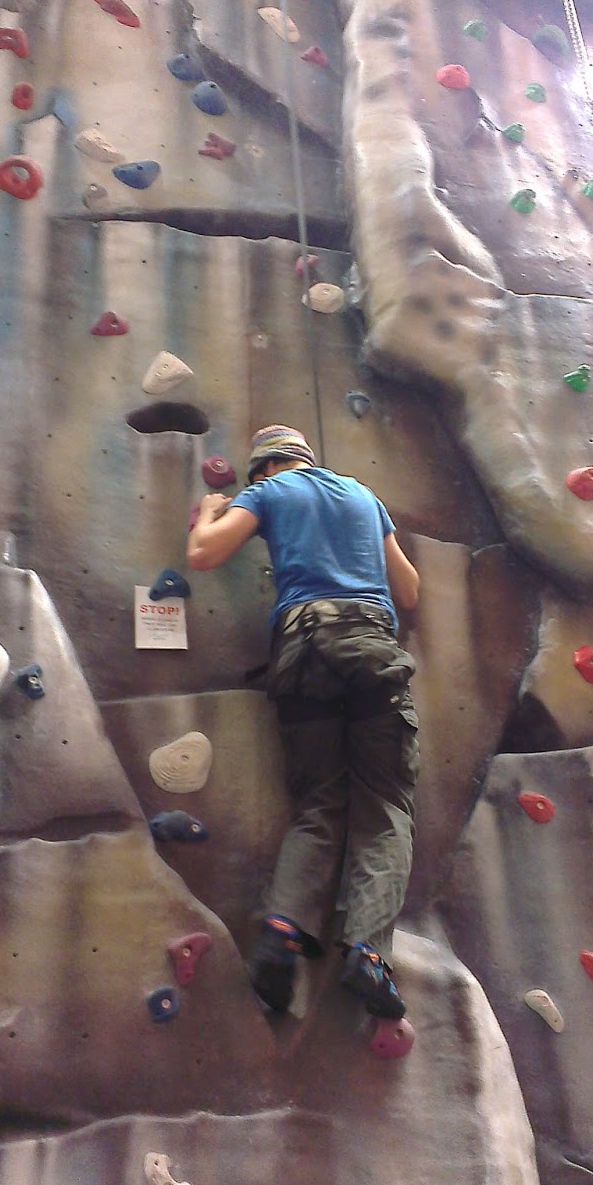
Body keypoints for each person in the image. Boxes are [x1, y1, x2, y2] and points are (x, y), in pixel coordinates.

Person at [186, 423, 420, 1020]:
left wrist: (211, 510)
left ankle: (281, 936)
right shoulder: (363, 495)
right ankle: (368, 955)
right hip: (371, 643)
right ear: (306, 458)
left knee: (320, 803)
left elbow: (204, 552)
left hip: (305, 646)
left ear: (265, 467)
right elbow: (410, 590)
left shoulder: (268, 492)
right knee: (385, 805)